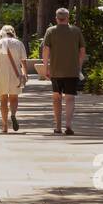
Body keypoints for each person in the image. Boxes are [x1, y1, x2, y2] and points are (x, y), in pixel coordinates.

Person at [42, 7, 86, 135]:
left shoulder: (50, 31)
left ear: (56, 18)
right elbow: (82, 51)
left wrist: (46, 68)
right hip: (72, 71)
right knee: (70, 98)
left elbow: (45, 50)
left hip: (55, 71)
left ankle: (58, 126)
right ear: (68, 18)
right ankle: (68, 125)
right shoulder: (76, 31)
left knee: (56, 97)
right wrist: (79, 66)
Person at [0, 25, 27, 133]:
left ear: (1, 33)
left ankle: (4, 125)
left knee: (3, 99)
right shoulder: (18, 43)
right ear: (13, 32)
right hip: (16, 74)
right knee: (14, 98)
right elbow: (23, 60)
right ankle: (13, 114)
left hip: (1, 74)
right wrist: (25, 74)